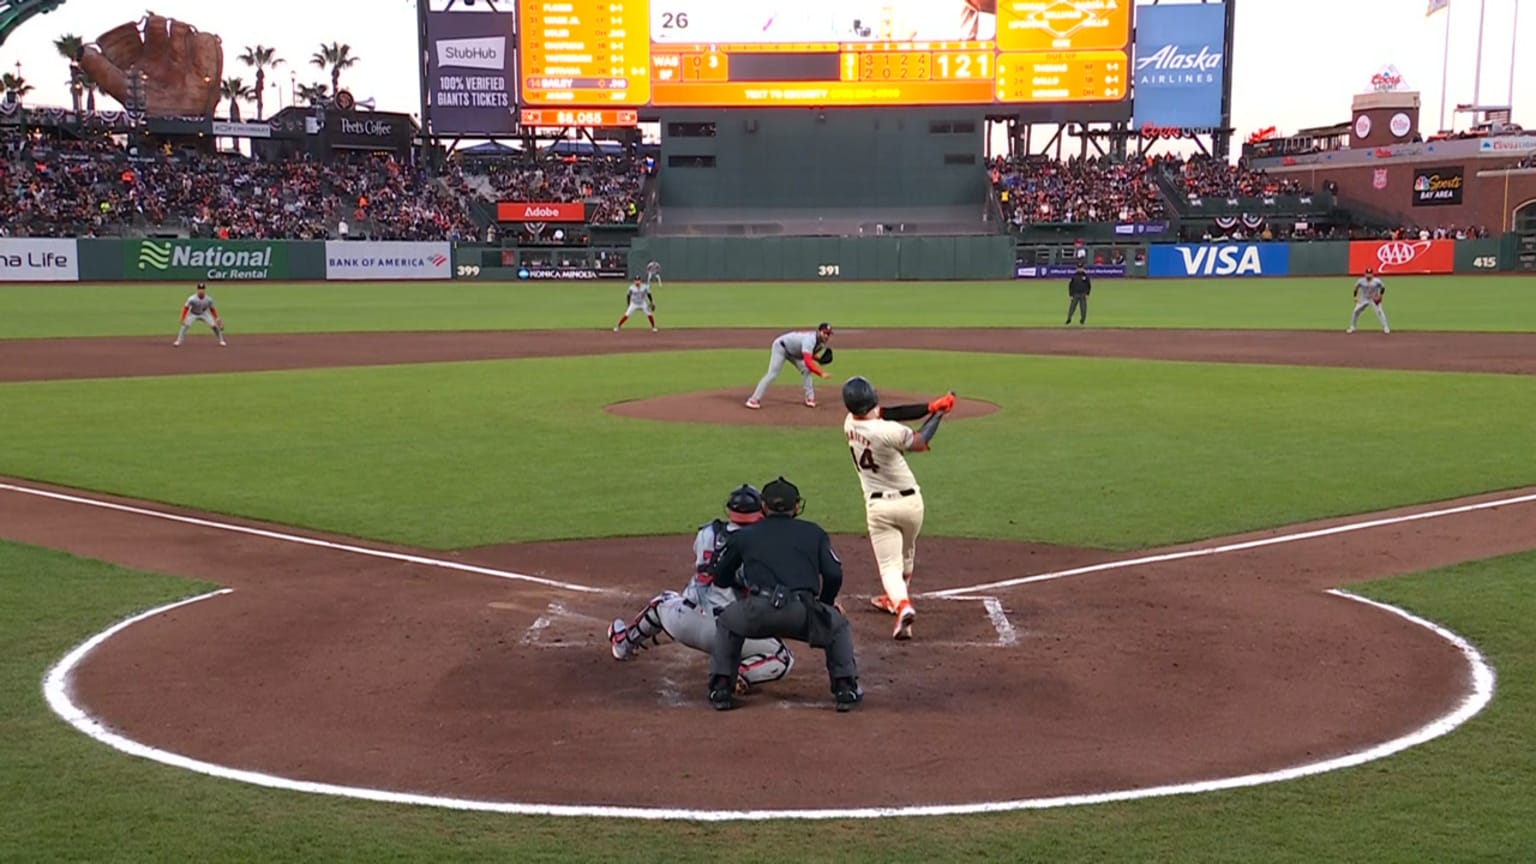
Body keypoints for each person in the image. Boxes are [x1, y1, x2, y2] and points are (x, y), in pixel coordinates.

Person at [605, 485, 794, 693]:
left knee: (662, 602)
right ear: (761, 512)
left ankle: (623, 643)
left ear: (728, 511)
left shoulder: (707, 533)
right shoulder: (761, 544)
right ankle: (739, 674)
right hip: (730, 633)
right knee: (782, 656)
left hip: (684, 622)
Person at [705, 477, 861, 712]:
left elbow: (720, 577)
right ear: (796, 506)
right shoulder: (814, 532)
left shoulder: (744, 536)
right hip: (803, 613)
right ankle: (845, 689)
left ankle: (721, 688)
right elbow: (833, 574)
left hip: (757, 611)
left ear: (764, 506)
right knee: (837, 626)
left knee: (729, 621)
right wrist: (825, 605)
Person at [842, 376, 953, 640]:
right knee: (907, 552)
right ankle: (896, 599)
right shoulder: (889, 431)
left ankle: (901, 605)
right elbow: (920, 441)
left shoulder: (848, 423)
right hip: (911, 504)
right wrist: (939, 414)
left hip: (879, 507)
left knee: (889, 565)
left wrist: (930, 406)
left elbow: (891, 413)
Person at [745, 323, 834, 409]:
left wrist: (819, 360)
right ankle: (753, 400)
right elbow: (808, 361)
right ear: (818, 331)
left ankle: (810, 398)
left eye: (828, 334)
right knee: (772, 374)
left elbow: (809, 354)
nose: (826, 336)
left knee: (806, 370)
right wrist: (821, 373)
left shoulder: (821, 344)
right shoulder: (810, 340)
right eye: (825, 333)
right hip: (781, 347)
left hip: (794, 352)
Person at [173, 283, 225, 347]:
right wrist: (182, 318)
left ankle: (221, 340)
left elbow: (212, 309)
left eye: (202, 289)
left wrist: (216, 317)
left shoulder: (209, 299)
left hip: (204, 313)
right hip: (193, 313)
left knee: (214, 326)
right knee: (185, 325)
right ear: (197, 290)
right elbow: (185, 308)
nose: (201, 290)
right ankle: (178, 341)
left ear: (204, 290)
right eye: (199, 289)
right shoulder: (192, 299)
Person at [1347, 268, 1390, 334]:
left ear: (1372, 274)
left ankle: (1385, 327)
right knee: (1356, 311)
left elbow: (1383, 287)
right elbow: (1356, 288)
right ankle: (1352, 327)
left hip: (1374, 299)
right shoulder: (1361, 281)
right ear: (1365, 274)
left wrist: (1380, 296)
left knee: (1379, 312)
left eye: (1370, 274)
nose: (1368, 275)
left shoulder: (1377, 281)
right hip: (1363, 299)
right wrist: (1355, 297)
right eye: (1367, 274)